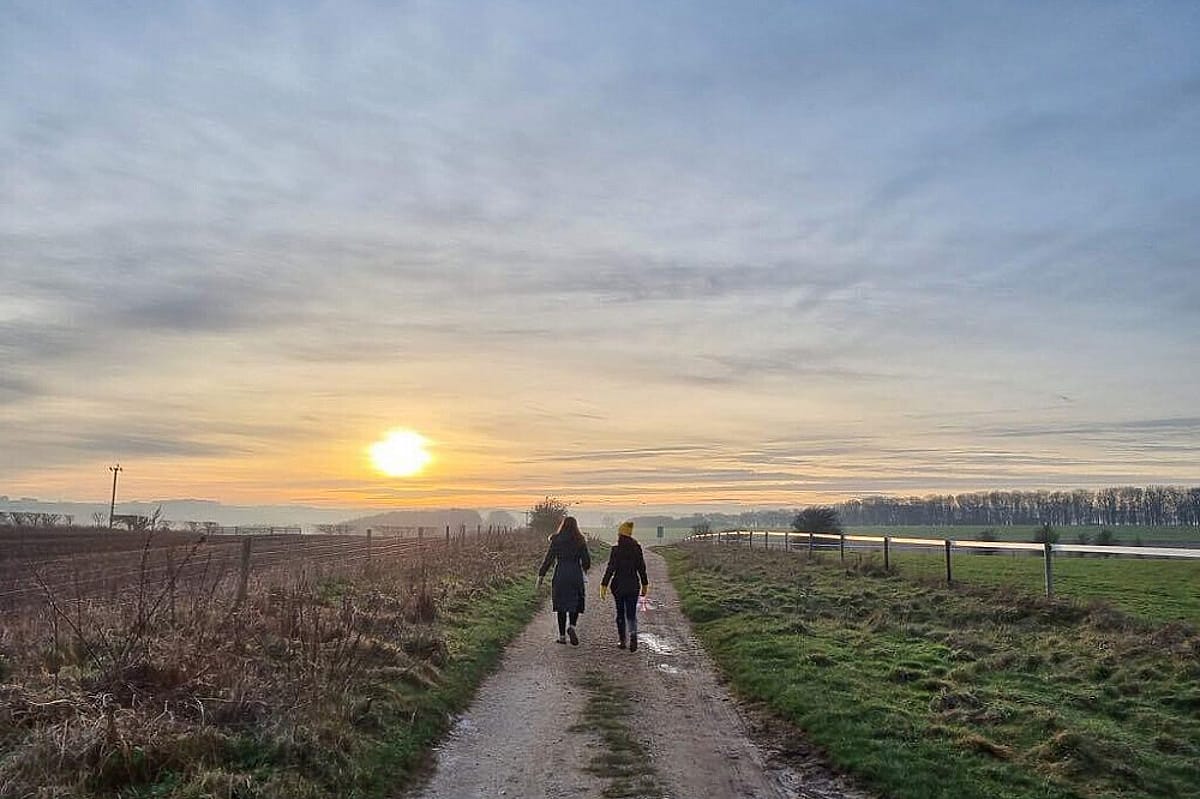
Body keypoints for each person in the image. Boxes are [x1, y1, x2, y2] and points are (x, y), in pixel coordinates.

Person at [537, 516, 591, 645]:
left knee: (561, 604)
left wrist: (541, 575)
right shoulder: (580, 540)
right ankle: (571, 626)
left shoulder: (556, 540)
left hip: (561, 573)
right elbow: (587, 561)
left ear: (563, 525)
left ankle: (562, 637)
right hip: (575, 574)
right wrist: (584, 569)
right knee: (575, 602)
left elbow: (549, 559)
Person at [600, 521, 649, 652]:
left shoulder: (616, 550)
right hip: (633, 585)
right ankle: (633, 637)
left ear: (620, 535)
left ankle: (622, 640)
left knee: (620, 613)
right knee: (631, 614)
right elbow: (641, 568)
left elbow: (611, 568)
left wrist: (604, 584)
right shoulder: (636, 548)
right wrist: (645, 584)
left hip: (618, 586)